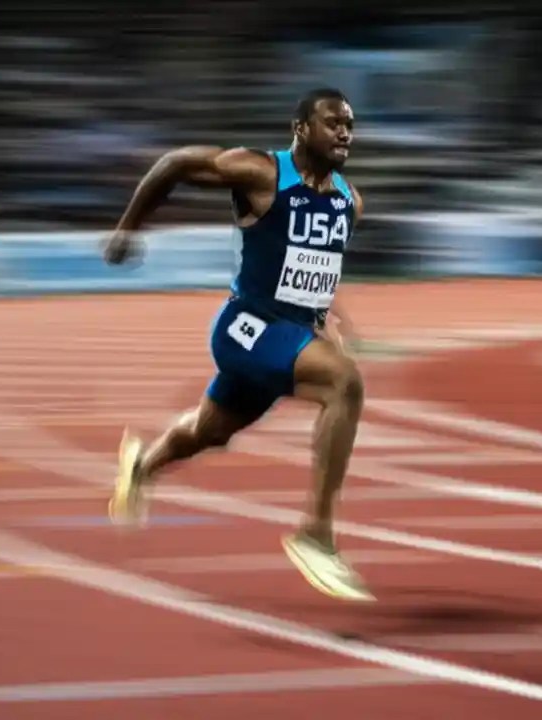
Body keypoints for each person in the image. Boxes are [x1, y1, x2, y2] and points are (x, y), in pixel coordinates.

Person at [101, 88, 372, 602]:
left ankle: (142, 467)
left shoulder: (348, 203)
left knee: (209, 431)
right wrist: (129, 229)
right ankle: (316, 532)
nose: (343, 133)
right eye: (332, 122)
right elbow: (176, 163)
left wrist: (328, 318)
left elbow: (312, 270)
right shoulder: (262, 173)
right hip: (246, 328)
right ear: (301, 128)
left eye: (350, 125)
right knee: (345, 383)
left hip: (288, 336)